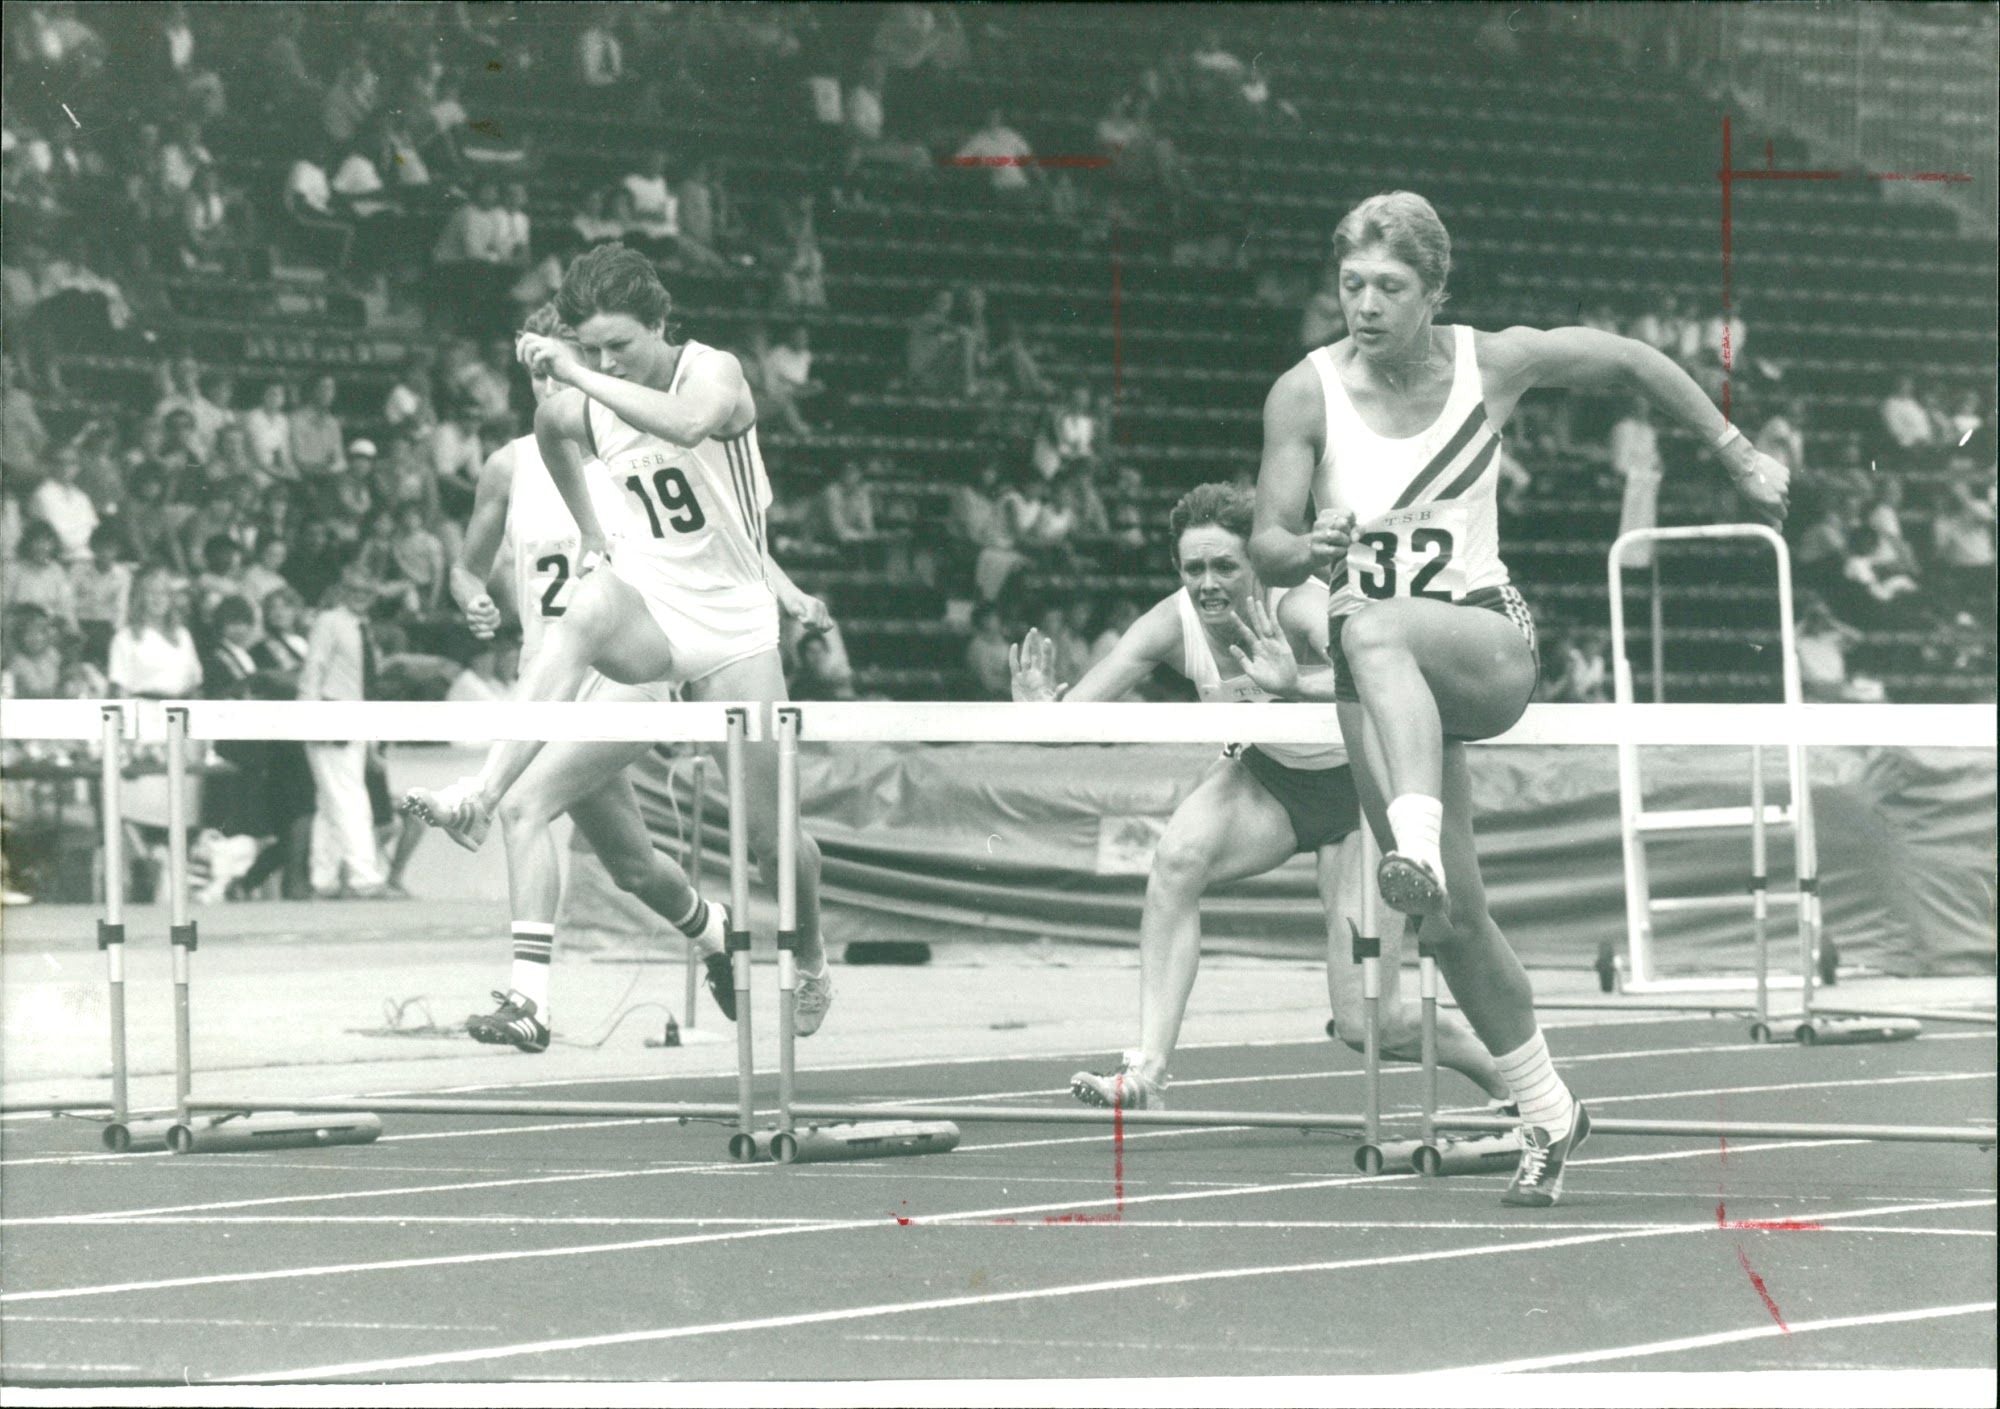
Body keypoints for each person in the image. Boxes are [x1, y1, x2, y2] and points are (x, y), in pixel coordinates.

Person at [1248, 191, 1789, 1207]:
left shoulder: (1491, 364)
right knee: (1449, 921)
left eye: (1389, 287)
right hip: (1377, 684)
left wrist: (1733, 448)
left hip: (1482, 646)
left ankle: (1410, 836)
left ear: (1434, 291)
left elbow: (1630, 360)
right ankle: (1547, 1109)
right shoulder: (1304, 393)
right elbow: (1267, 542)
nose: (1365, 305)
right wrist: (1301, 546)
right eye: (1351, 284)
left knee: (1371, 626)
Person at [401, 247, 839, 1042]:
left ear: (661, 322)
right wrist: (596, 533)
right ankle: (483, 794)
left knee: (775, 845)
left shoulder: (714, 372)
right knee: (590, 606)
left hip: (735, 626)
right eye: (594, 348)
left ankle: (809, 951)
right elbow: (548, 427)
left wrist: (576, 371)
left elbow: (685, 424)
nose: (607, 362)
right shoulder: (582, 402)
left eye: (620, 346)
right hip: (656, 612)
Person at [1012, 483, 1509, 1114]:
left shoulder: (1300, 607)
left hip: (1363, 788)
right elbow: (1074, 717)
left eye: (1225, 566)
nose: (1208, 584)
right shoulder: (1170, 623)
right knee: (1177, 860)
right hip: (1274, 781)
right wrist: (1040, 714)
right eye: (1193, 568)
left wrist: (1295, 683)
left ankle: (1510, 1083)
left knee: (1368, 1025)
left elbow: (1388, 681)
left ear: (1256, 563)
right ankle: (1149, 1070)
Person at [298, 559, 386, 899]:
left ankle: (323, 879)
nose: (360, 595)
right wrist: (310, 719)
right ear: (342, 590)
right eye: (353, 589)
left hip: (357, 718)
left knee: (330, 802)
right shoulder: (329, 621)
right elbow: (314, 668)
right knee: (349, 798)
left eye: (367, 591)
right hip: (330, 715)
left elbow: (367, 683)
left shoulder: (364, 627)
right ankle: (365, 878)